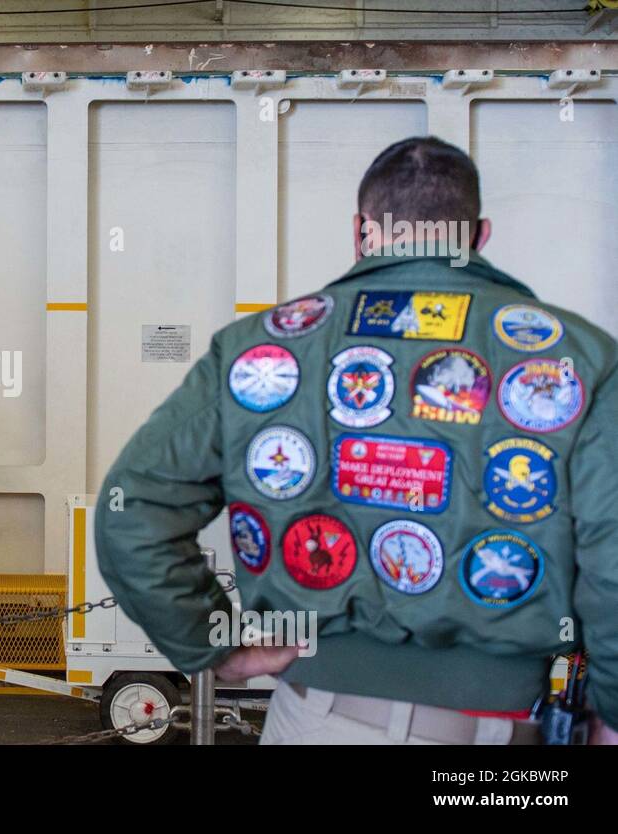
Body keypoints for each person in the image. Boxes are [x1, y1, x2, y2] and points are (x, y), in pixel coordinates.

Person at [95, 136, 618, 745]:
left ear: (362, 231)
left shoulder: (256, 348)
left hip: (317, 717)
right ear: (478, 236)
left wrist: (215, 644)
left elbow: (131, 509)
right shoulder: (581, 357)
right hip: (502, 730)